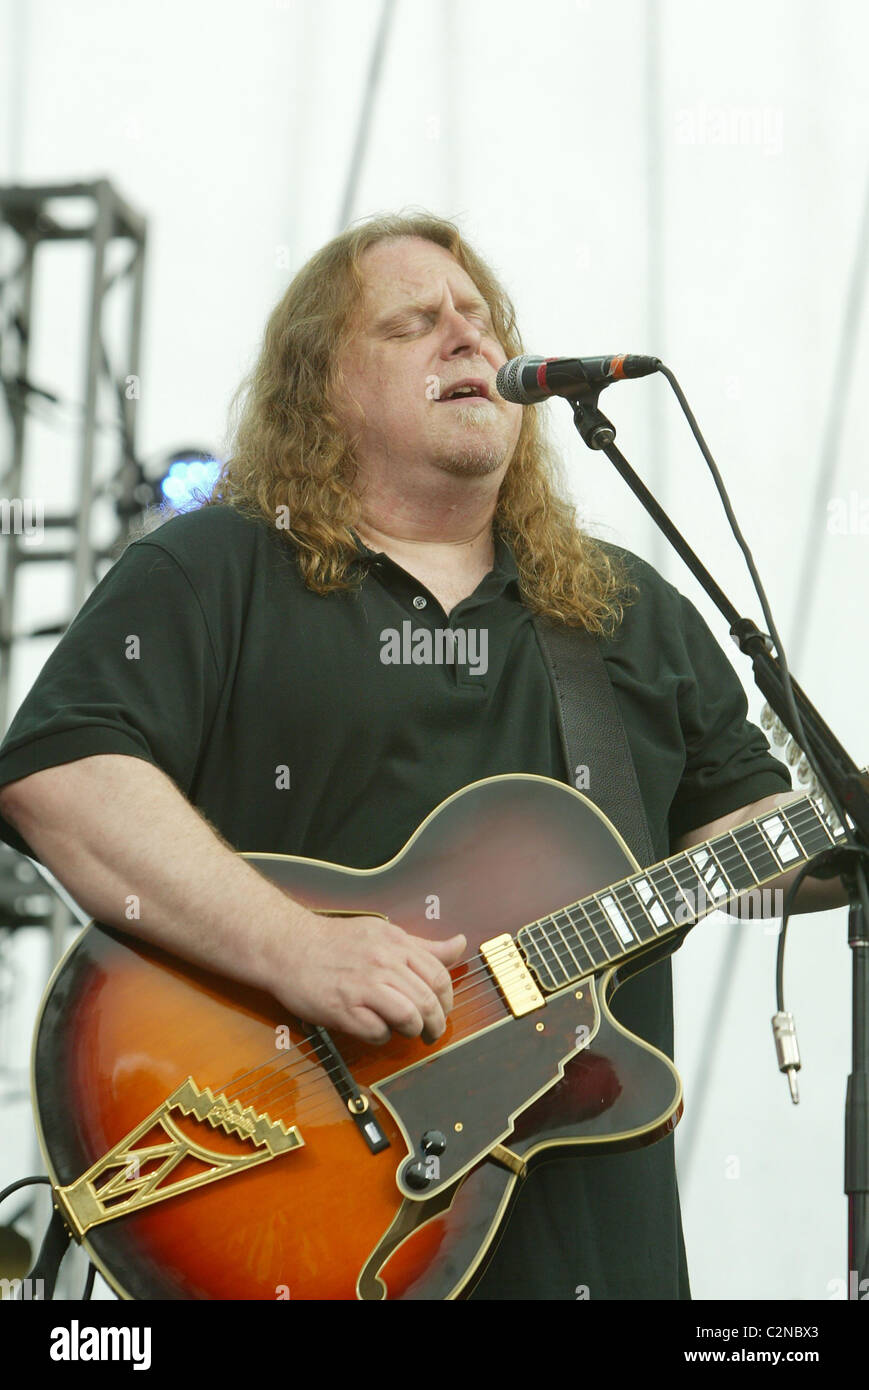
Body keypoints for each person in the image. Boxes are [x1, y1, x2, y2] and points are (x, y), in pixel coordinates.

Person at [0, 212, 847, 1300]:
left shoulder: (628, 611)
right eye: (413, 322)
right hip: (292, 1207)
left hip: (597, 1260)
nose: (465, 336)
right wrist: (299, 949)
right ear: (322, 386)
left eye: (478, 318)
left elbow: (744, 844)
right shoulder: (211, 569)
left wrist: (837, 840)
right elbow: (59, 776)